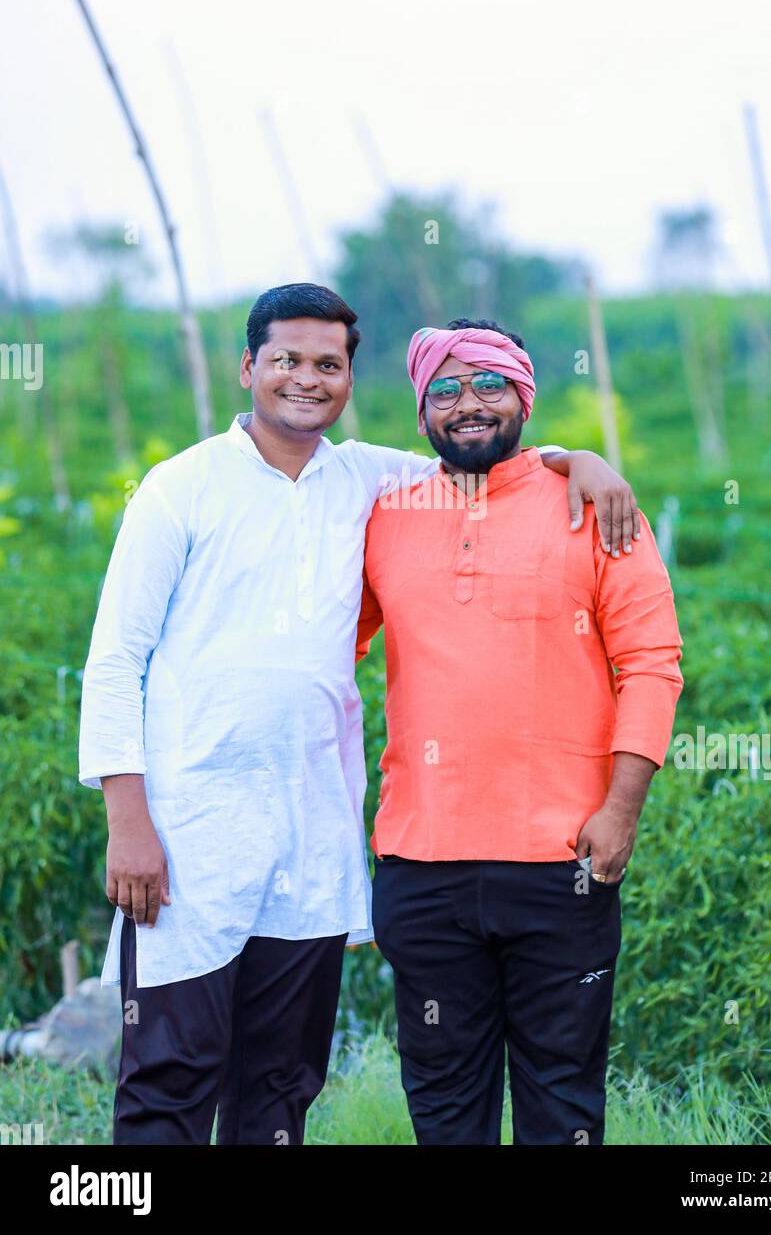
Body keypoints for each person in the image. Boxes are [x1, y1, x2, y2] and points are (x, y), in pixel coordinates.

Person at [78, 284, 643, 1146]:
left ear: (348, 379)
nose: (307, 379)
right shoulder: (178, 489)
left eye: (327, 365)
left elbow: (488, 453)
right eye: (287, 361)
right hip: (189, 831)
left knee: (280, 1081)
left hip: (309, 834)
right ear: (248, 367)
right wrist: (129, 822)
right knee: (169, 1074)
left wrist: (581, 458)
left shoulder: (374, 481)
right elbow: (116, 659)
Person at [356, 319, 684, 1146]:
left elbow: (651, 663)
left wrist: (621, 813)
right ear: (421, 408)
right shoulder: (384, 518)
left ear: (525, 394)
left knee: (562, 1095)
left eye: (490, 384)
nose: (469, 404)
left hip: (563, 861)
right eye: (445, 388)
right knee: (444, 1103)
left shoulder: (596, 505)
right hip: (420, 865)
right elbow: (321, 652)